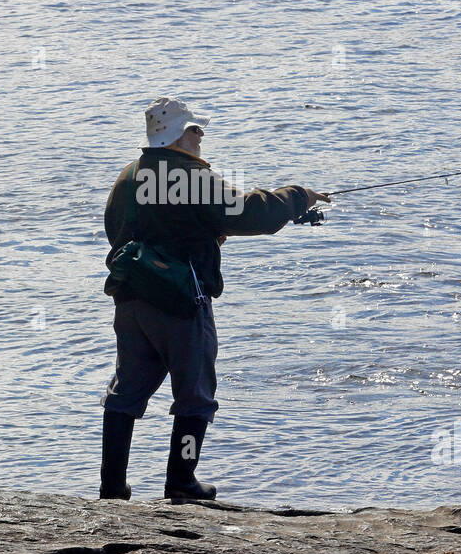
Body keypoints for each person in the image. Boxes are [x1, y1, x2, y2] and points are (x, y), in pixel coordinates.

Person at [99, 97, 329, 501]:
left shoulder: (129, 176)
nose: (201, 135)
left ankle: (112, 485)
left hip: (130, 299)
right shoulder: (190, 178)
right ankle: (181, 482)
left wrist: (197, 235)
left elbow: (122, 230)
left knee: (126, 391)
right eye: (195, 129)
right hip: (181, 301)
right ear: (177, 134)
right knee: (196, 395)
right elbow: (247, 213)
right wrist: (297, 196)